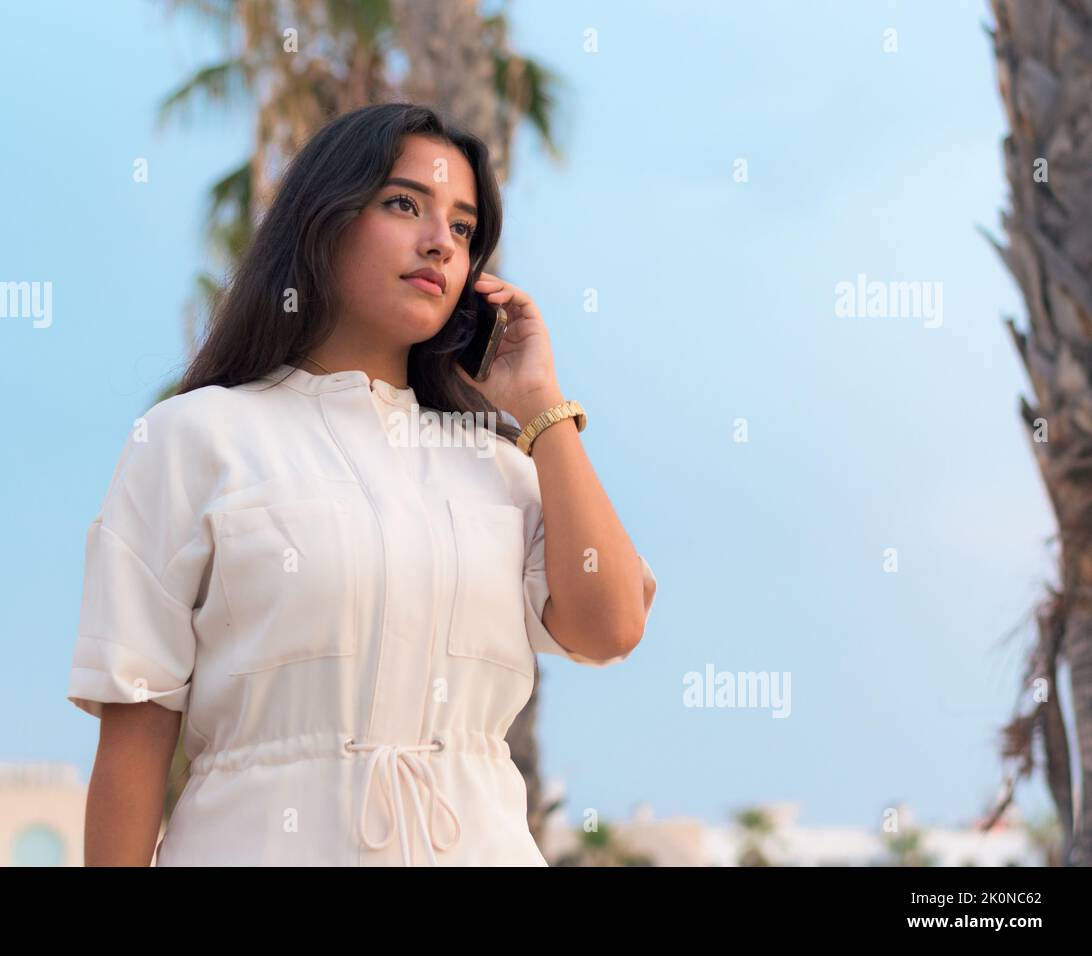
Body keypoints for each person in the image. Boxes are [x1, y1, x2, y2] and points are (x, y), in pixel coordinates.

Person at [65, 102, 658, 866]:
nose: (439, 241)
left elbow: (609, 627)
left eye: (464, 227)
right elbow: (135, 737)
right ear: (325, 219)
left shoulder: (500, 465)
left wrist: (543, 409)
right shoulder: (196, 438)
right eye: (404, 203)